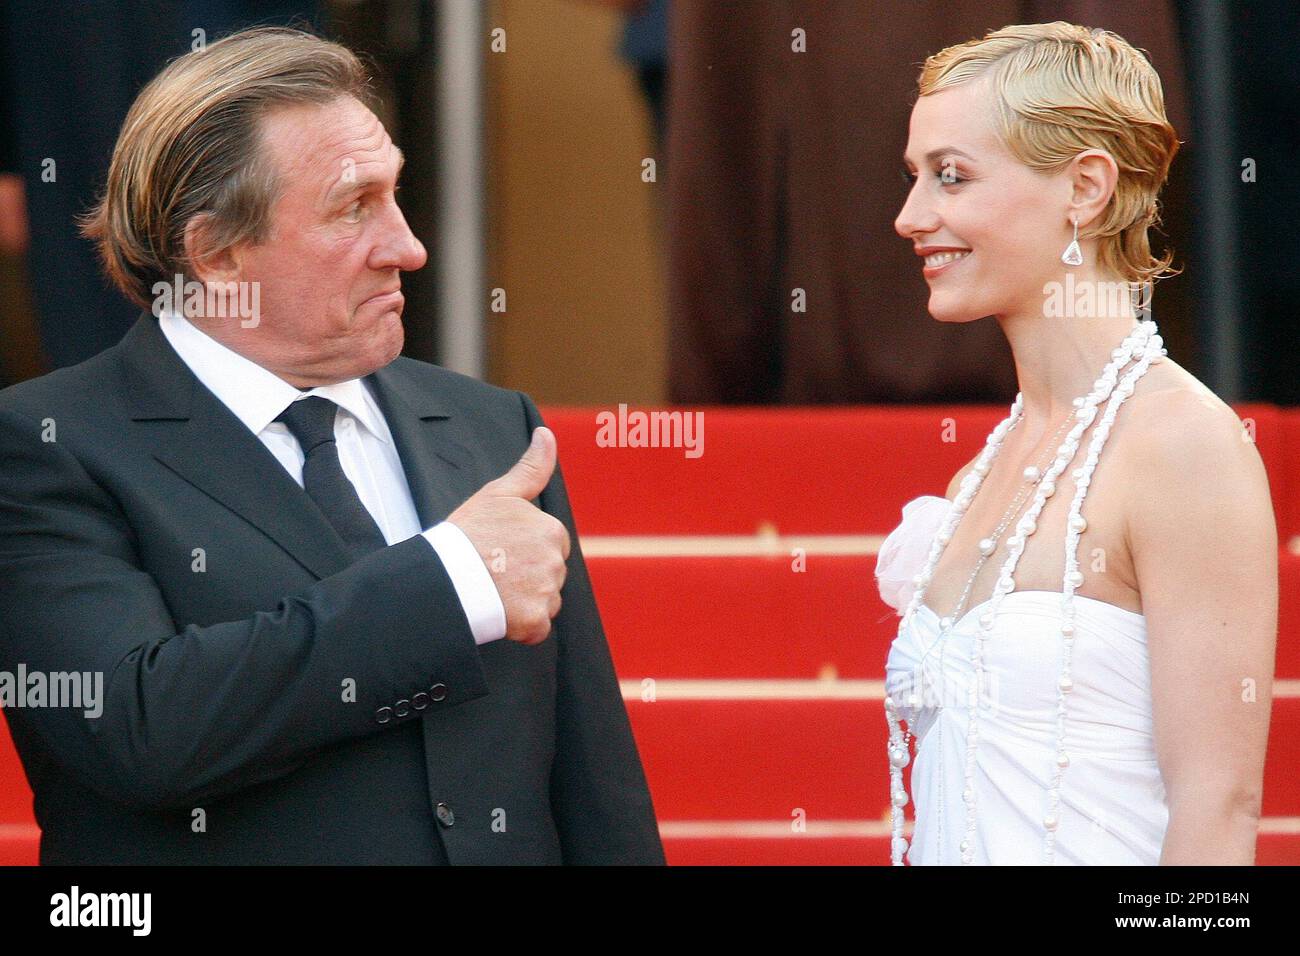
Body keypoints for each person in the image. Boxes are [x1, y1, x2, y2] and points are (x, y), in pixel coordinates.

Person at [0, 27, 664, 865]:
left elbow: (594, 786)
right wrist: (451, 582)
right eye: (355, 208)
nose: (408, 247)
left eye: (396, 196)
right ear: (216, 253)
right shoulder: (45, 444)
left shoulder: (491, 427)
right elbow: (138, 727)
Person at [878, 22, 1275, 865]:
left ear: (1085, 187)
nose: (913, 217)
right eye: (914, 178)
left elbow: (1220, 804)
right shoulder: (977, 476)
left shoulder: (1181, 445)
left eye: (951, 177)